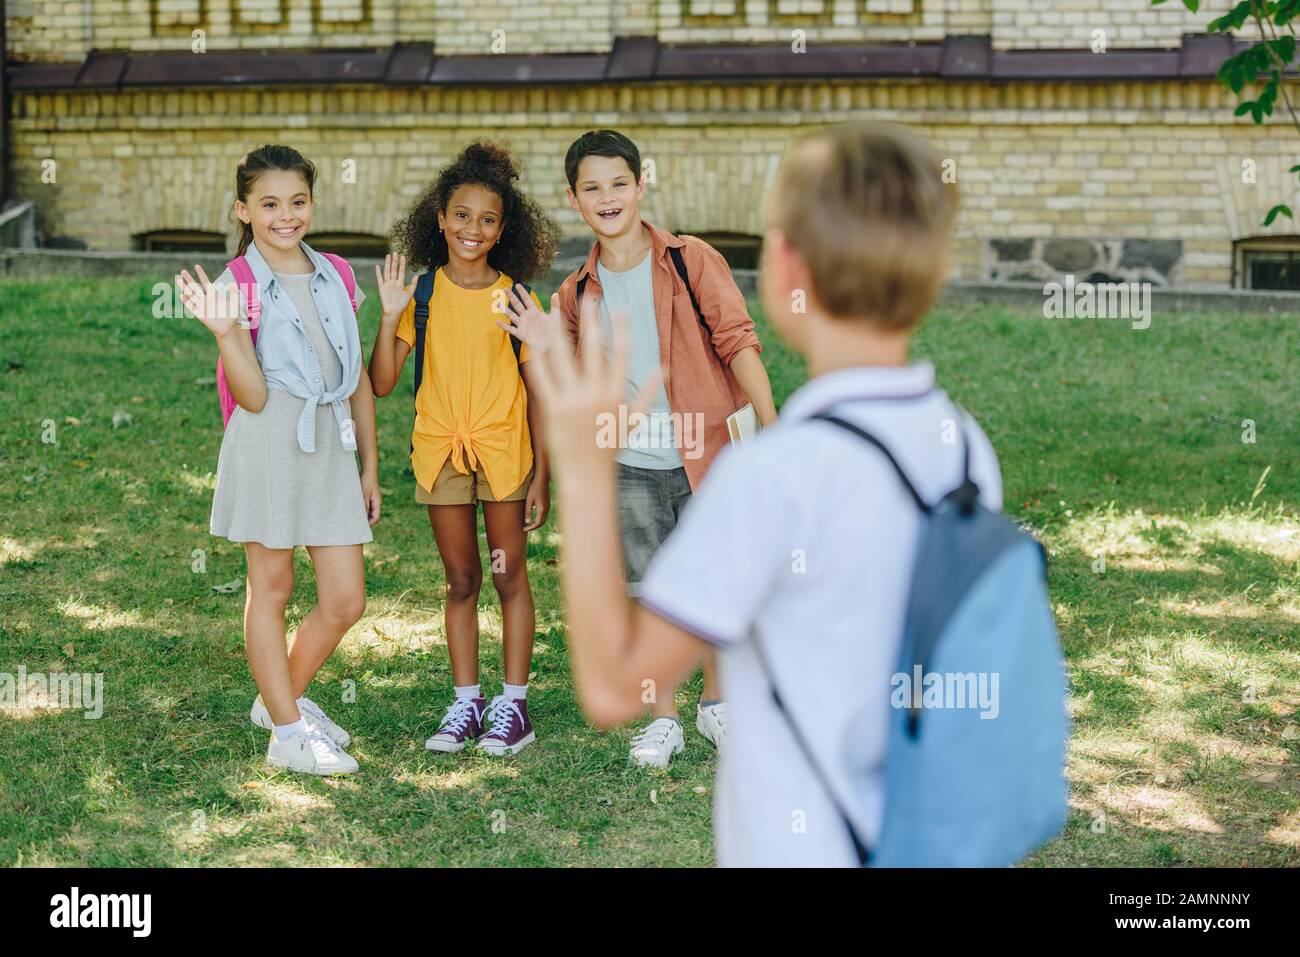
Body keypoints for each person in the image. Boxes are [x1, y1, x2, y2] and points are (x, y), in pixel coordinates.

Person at [513, 123, 1003, 864]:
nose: (609, 197)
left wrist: (584, 471)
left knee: (689, 590)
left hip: (799, 840)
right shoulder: (963, 444)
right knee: (658, 582)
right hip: (921, 821)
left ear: (781, 268)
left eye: (620, 182)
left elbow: (611, 686)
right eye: (593, 186)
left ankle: (713, 707)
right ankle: (677, 715)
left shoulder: (767, 466)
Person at [182, 144, 379, 776]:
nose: (284, 216)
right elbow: (253, 394)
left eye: (297, 202)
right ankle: (289, 733)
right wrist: (224, 333)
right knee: (272, 587)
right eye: (268, 204)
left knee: (346, 599)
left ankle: (279, 701)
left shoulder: (339, 275)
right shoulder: (236, 285)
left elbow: (354, 381)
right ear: (244, 210)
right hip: (268, 437)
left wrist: (369, 466)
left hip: (329, 440)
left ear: (312, 205)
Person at [368, 141, 559, 756]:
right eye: (461, 215)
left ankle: (514, 706)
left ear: (504, 229)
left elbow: (541, 396)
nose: (472, 229)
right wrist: (387, 316)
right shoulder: (420, 296)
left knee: (508, 576)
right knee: (459, 579)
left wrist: (542, 476)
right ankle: (465, 701)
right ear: (440, 219)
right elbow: (381, 382)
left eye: (487, 219)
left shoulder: (519, 299)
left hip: (505, 457)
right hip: (441, 454)